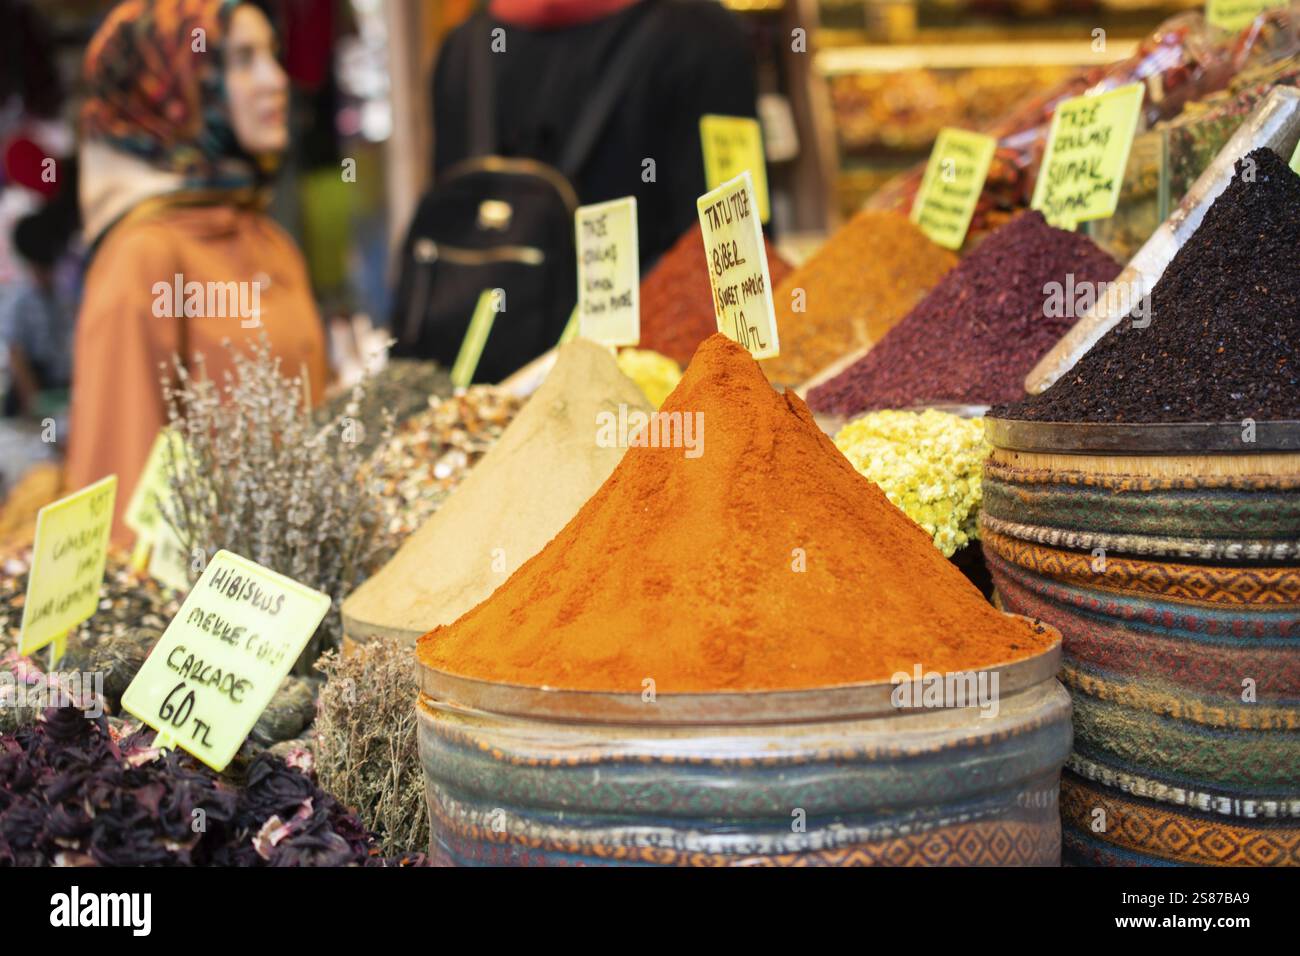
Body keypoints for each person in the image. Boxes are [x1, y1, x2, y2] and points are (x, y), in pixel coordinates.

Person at [66, 0, 329, 543]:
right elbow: (121, 497)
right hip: (205, 609)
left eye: (272, 56)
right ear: (166, 89)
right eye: (241, 60)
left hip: (301, 594)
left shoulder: (270, 241)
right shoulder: (145, 258)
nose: (275, 80)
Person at [431, 0, 760, 269]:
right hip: (653, 343)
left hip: (469, 345)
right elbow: (739, 243)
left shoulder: (461, 48)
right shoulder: (705, 36)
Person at [1, 211, 76, 418]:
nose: (46, 275)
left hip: (59, 385)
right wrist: (32, 402)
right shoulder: (20, 298)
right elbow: (16, 354)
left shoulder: (63, 295)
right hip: (33, 385)